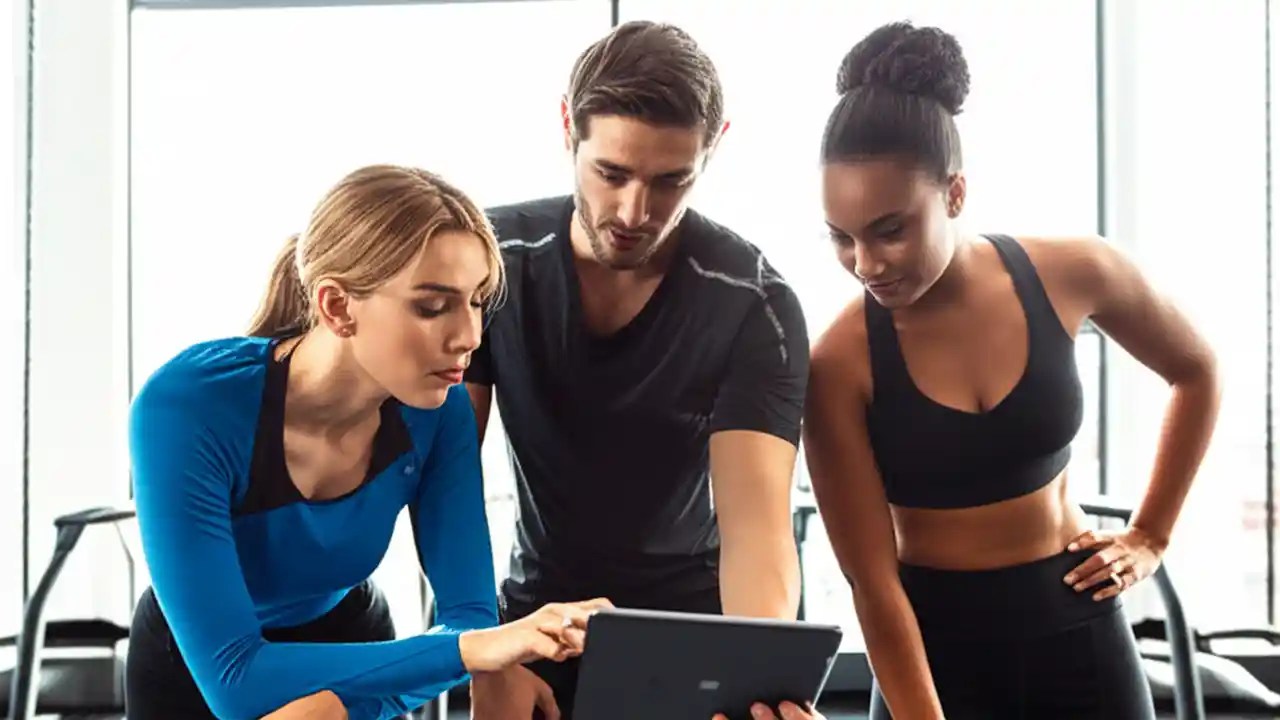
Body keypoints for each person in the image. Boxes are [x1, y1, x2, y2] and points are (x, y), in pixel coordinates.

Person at [802, 21, 1222, 720]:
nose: (866, 264)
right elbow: (873, 585)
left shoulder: (1075, 272)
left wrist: (1151, 535)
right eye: (842, 238)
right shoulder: (840, 363)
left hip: (1079, 624)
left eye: (890, 229)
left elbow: (1197, 370)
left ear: (956, 194)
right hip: (930, 658)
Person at [124, 164, 610, 720]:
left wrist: (495, 668)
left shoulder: (438, 404)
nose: (470, 337)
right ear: (336, 306)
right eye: (432, 306)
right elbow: (235, 680)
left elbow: (470, 614)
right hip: (198, 673)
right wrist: (478, 652)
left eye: (477, 301)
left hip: (356, 643)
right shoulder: (187, 406)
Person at [462, 20, 822, 720]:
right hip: (532, 625)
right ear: (569, 128)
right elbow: (447, 484)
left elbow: (757, 532)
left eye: (669, 181)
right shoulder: (490, 262)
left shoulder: (755, 305)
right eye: (611, 173)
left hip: (689, 635)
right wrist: (482, 648)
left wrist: (760, 681)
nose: (634, 211)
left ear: (713, 148)